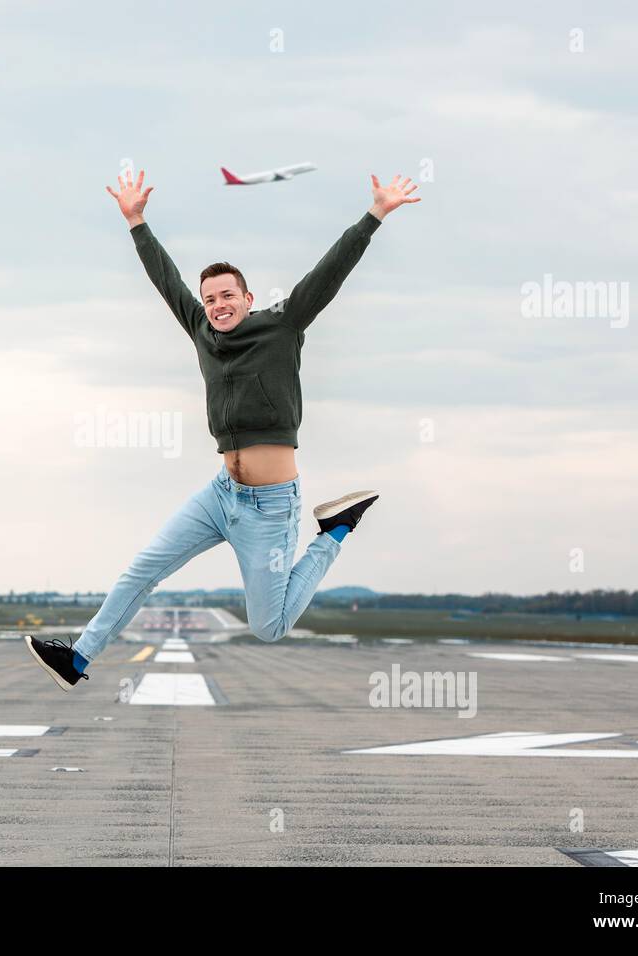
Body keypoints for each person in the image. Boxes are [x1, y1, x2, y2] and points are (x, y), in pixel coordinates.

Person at [26, 169, 420, 691]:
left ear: (248, 297)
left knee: (270, 627)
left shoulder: (284, 325)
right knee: (142, 570)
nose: (217, 305)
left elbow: (331, 270)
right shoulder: (202, 333)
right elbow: (166, 280)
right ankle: (77, 659)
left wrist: (374, 215)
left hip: (272, 505)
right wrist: (136, 220)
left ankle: (335, 532)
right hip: (220, 495)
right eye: (210, 299)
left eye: (227, 296)